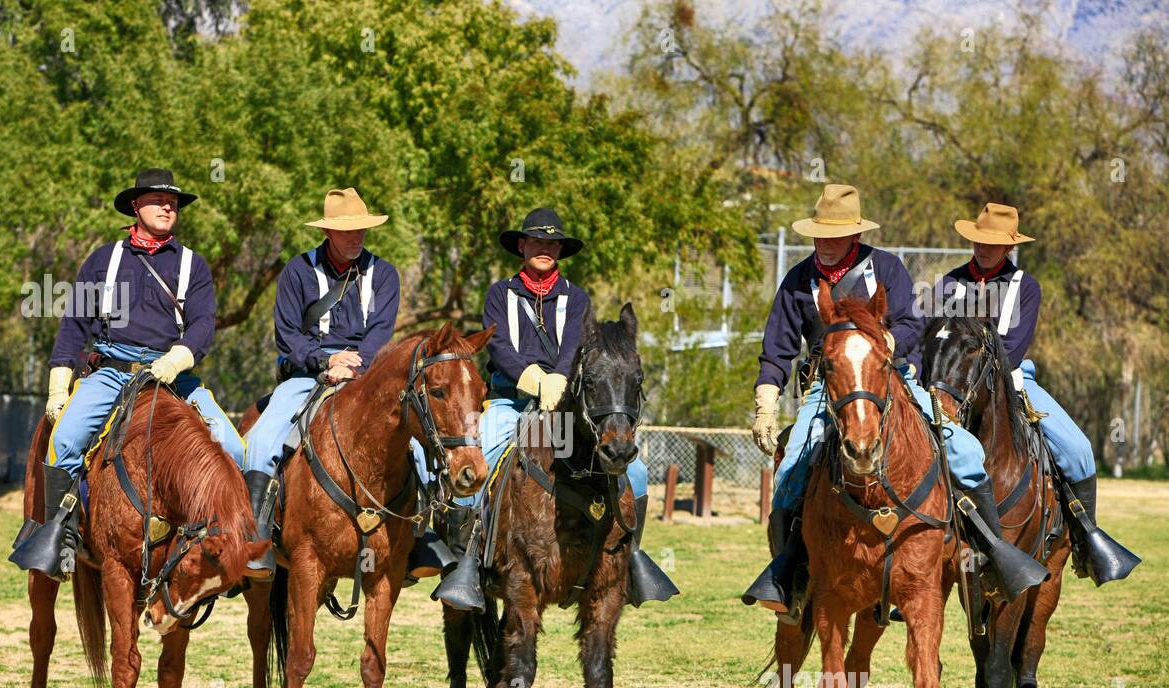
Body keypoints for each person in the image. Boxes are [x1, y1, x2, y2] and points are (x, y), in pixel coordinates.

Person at [743, 184, 1047, 616]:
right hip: (826, 389)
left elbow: (911, 324)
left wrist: (882, 341)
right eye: (818, 235)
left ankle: (992, 555)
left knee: (961, 448)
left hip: (891, 380)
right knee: (793, 462)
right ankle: (787, 571)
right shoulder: (798, 280)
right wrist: (766, 402)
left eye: (834, 235)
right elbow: (776, 347)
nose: (824, 244)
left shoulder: (886, 268)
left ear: (855, 235)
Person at [433, 208, 677, 611]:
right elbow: (498, 346)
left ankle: (629, 560)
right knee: (477, 461)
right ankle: (465, 566)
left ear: (560, 250)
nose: (545, 249)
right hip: (509, 400)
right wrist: (532, 378)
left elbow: (574, 349)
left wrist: (558, 381)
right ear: (523, 246)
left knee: (634, 470)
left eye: (552, 244)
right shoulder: (500, 294)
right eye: (537, 242)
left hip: (561, 409)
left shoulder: (576, 297)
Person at [9, 168, 243, 580]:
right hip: (112, 371)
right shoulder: (105, 258)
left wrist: (176, 360)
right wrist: (58, 385)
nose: (167, 207)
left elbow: (204, 325)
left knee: (234, 449)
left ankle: (224, 546)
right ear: (136, 206)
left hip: (173, 377)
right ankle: (59, 538)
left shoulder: (192, 265)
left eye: (172, 202)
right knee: (63, 439)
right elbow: (74, 324)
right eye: (157, 200)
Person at [240, 187, 447, 579]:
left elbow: (381, 331)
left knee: (419, 448)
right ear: (329, 232)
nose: (357, 237)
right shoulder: (298, 271)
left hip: (366, 375)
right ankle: (256, 541)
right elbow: (287, 335)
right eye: (347, 230)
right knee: (262, 444)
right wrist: (324, 361)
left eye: (362, 230)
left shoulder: (383, 274)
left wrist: (355, 365)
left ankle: (420, 536)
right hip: (305, 375)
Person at [932, 202, 1139, 584]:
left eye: (993, 243)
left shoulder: (1025, 286)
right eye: (979, 240)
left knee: (1078, 449)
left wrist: (984, 374)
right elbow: (937, 338)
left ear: (1009, 246)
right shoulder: (948, 284)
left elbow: (1015, 345)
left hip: (1012, 381)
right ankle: (923, 561)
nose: (984, 248)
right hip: (952, 385)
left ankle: (1084, 540)